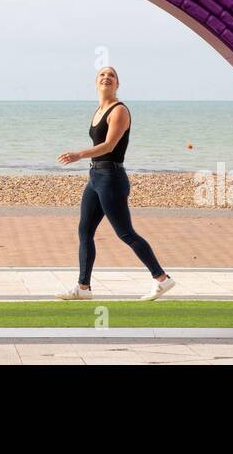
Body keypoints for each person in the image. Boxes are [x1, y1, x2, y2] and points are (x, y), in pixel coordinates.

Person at [55, 66, 176, 301]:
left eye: (111, 76)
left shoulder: (119, 110)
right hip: (96, 178)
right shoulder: (99, 110)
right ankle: (83, 287)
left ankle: (162, 279)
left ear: (117, 85)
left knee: (125, 233)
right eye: (102, 75)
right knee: (85, 231)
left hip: (111, 178)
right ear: (95, 83)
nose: (106, 78)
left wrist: (79, 154)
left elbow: (110, 146)